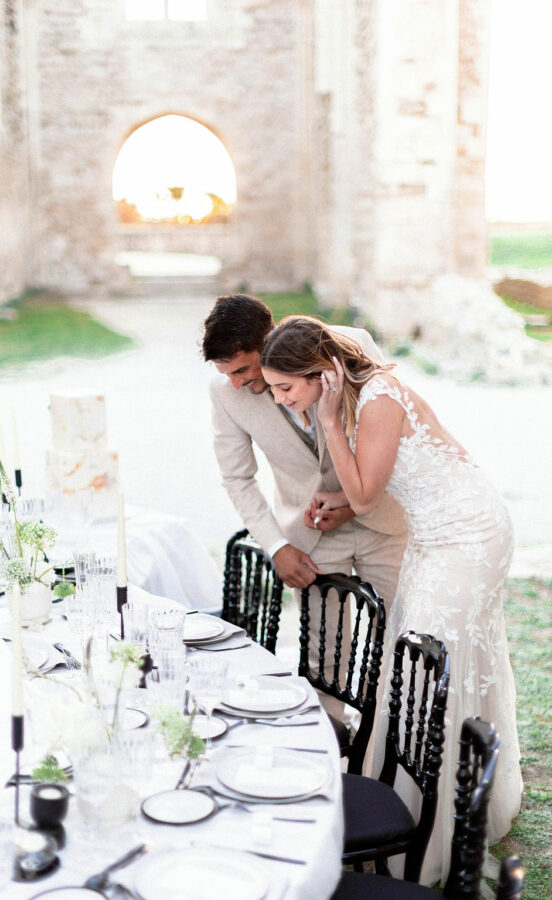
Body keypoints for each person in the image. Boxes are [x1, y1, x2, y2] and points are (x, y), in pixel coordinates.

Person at [260, 314, 522, 885]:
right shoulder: (357, 394)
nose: (280, 401)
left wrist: (329, 424)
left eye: (286, 388)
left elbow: (365, 487)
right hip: (432, 535)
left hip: (470, 532)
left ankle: (445, 825)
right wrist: (339, 504)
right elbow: (372, 485)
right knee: (420, 660)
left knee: (434, 665)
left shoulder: (374, 398)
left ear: (321, 375)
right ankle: (433, 803)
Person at [201, 294, 407, 717]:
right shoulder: (225, 393)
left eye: (242, 368)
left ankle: (389, 759)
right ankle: (324, 756)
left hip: (382, 522)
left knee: (400, 645)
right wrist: (276, 546)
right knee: (324, 661)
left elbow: (395, 441)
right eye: (227, 374)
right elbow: (237, 479)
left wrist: (354, 504)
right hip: (311, 540)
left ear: (271, 340)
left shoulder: (351, 346)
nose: (236, 382)